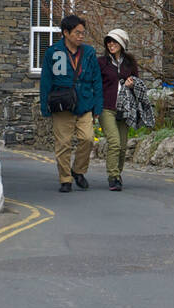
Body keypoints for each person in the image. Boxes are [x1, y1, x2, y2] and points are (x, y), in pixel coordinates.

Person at [39, 14, 102, 193]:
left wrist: (98, 105)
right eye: (77, 33)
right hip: (62, 104)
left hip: (84, 103)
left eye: (83, 33)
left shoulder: (89, 52)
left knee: (87, 139)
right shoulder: (53, 52)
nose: (81, 36)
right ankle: (65, 178)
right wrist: (45, 106)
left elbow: (97, 80)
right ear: (66, 33)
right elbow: (45, 80)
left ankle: (78, 171)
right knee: (63, 143)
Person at [98, 29, 138, 191]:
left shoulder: (130, 62)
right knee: (114, 142)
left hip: (125, 108)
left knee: (122, 146)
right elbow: (96, 84)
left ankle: (118, 175)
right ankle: (112, 177)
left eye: (114, 41)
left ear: (122, 43)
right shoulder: (101, 62)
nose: (111, 44)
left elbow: (138, 83)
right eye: (109, 41)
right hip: (106, 108)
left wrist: (132, 83)